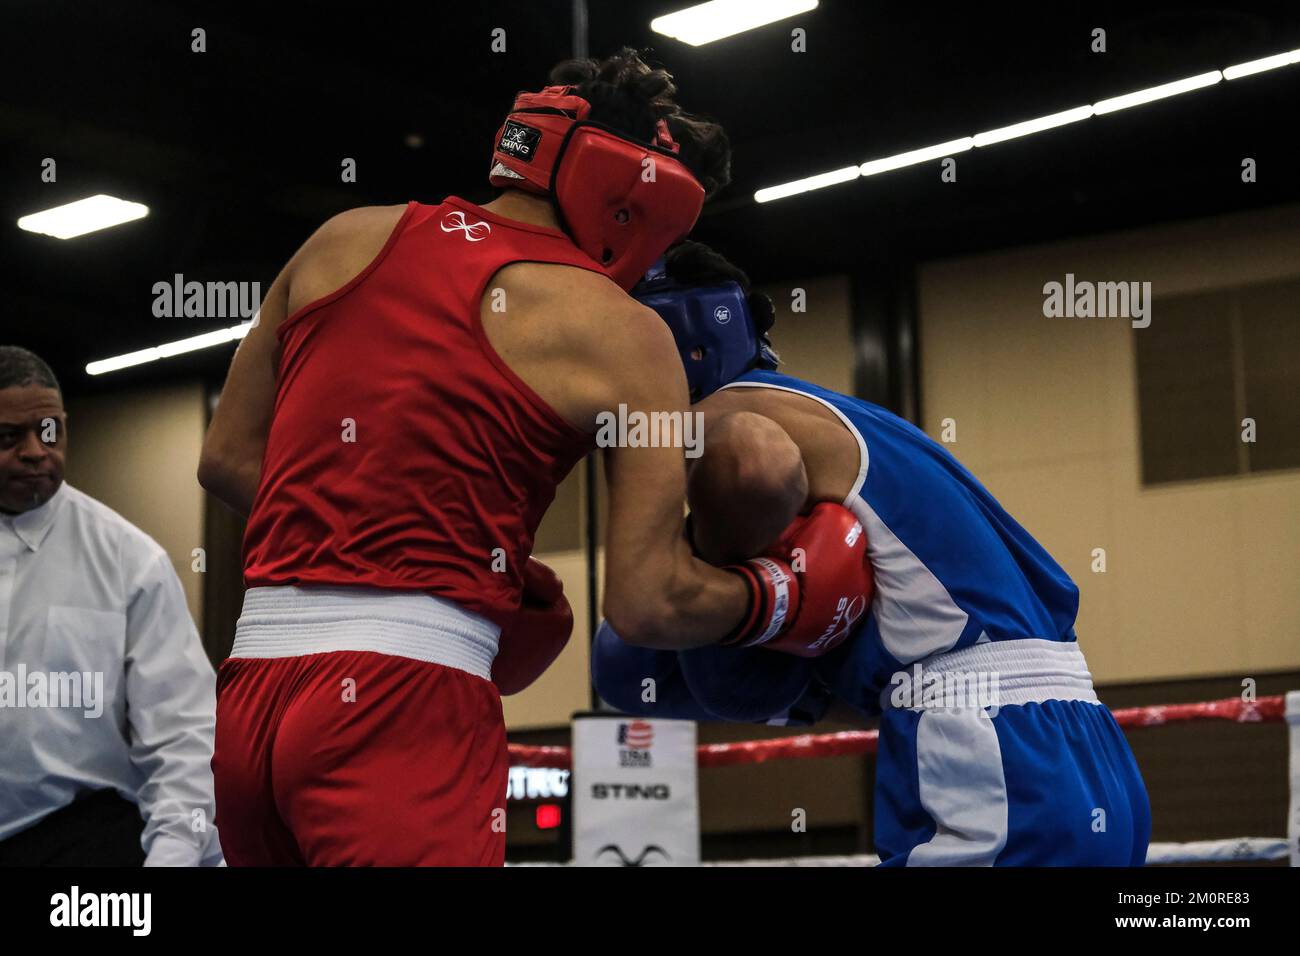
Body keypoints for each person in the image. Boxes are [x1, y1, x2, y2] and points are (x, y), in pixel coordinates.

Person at [200, 50, 873, 866]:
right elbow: (647, 601)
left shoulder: (338, 240)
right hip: (402, 700)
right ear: (637, 193)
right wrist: (776, 596)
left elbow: (229, 459)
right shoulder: (623, 334)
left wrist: (401, 540)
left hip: (248, 695)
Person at [593, 242, 1152, 866]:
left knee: (626, 654)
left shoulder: (720, 413)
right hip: (1084, 741)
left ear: (667, 340)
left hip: (988, 750)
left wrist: (753, 599)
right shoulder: (852, 417)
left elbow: (745, 469)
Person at [0, 346, 222, 867]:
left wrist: (173, 854)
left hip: (74, 838)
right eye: (9, 437)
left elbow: (182, 730)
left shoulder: (129, 559)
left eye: (50, 431)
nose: (37, 451)